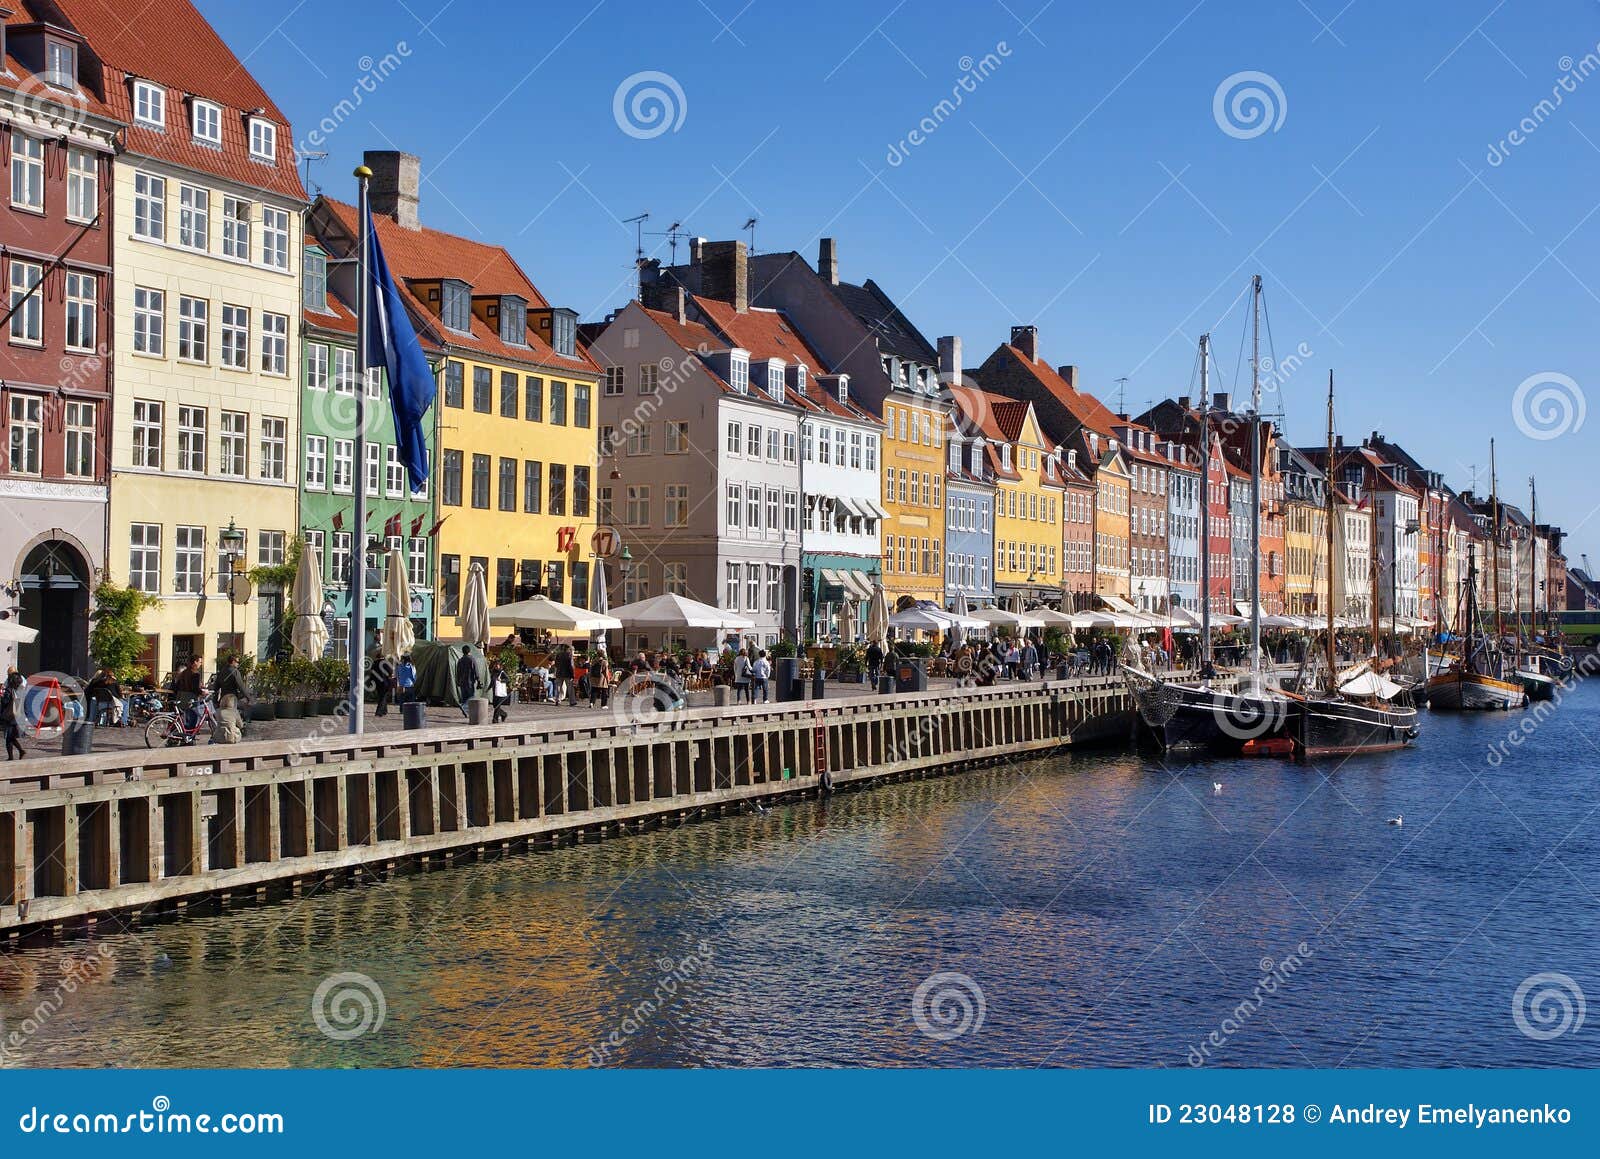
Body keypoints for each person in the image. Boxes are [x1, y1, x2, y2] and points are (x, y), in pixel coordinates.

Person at [171, 656, 204, 730]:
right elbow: (195, 688)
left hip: (182, 698)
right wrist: (202, 692)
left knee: (186, 719)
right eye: (200, 662)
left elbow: (177, 686)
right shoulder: (195, 674)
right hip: (191, 699)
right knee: (193, 719)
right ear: (195, 662)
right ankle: (189, 737)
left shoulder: (184, 672)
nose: (200, 664)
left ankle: (184, 734)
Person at [1, 669, 24, 760]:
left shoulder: (9, 690)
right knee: (11, 737)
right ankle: (21, 751)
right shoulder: (21, 690)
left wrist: (2, 697)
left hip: (9, 717)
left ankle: (11, 757)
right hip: (18, 716)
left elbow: (5, 702)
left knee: (9, 738)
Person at [455, 644, 478, 717]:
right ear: (469, 651)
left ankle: (466, 711)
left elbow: (458, 672)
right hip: (470, 682)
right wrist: (478, 680)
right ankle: (465, 708)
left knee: (464, 697)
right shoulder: (472, 659)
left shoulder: (460, 660)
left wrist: (458, 681)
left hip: (462, 682)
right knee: (471, 697)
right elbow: (475, 670)